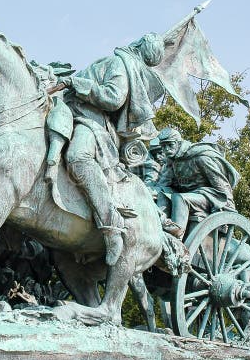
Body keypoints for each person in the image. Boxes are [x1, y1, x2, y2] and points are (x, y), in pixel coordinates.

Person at [56, 33, 167, 265]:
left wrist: (77, 83)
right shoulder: (114, 60)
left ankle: (112, 226)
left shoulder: (120, 64)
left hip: (90, 120)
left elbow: (113, 98)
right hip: (69, 109)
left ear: (138, 44)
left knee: (79, 157)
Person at [154, 127, 240, 240]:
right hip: (189, 196)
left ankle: (176, 236)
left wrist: (228, 213)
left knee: (180, 198)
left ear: (178, 143)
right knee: (162, 194)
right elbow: (162, 186)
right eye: (163, 146)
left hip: (209, 198)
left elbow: (221, 184)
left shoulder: (200, 157)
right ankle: (157, 227)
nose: (166, 149)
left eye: (170, 145)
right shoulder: (172, 161)